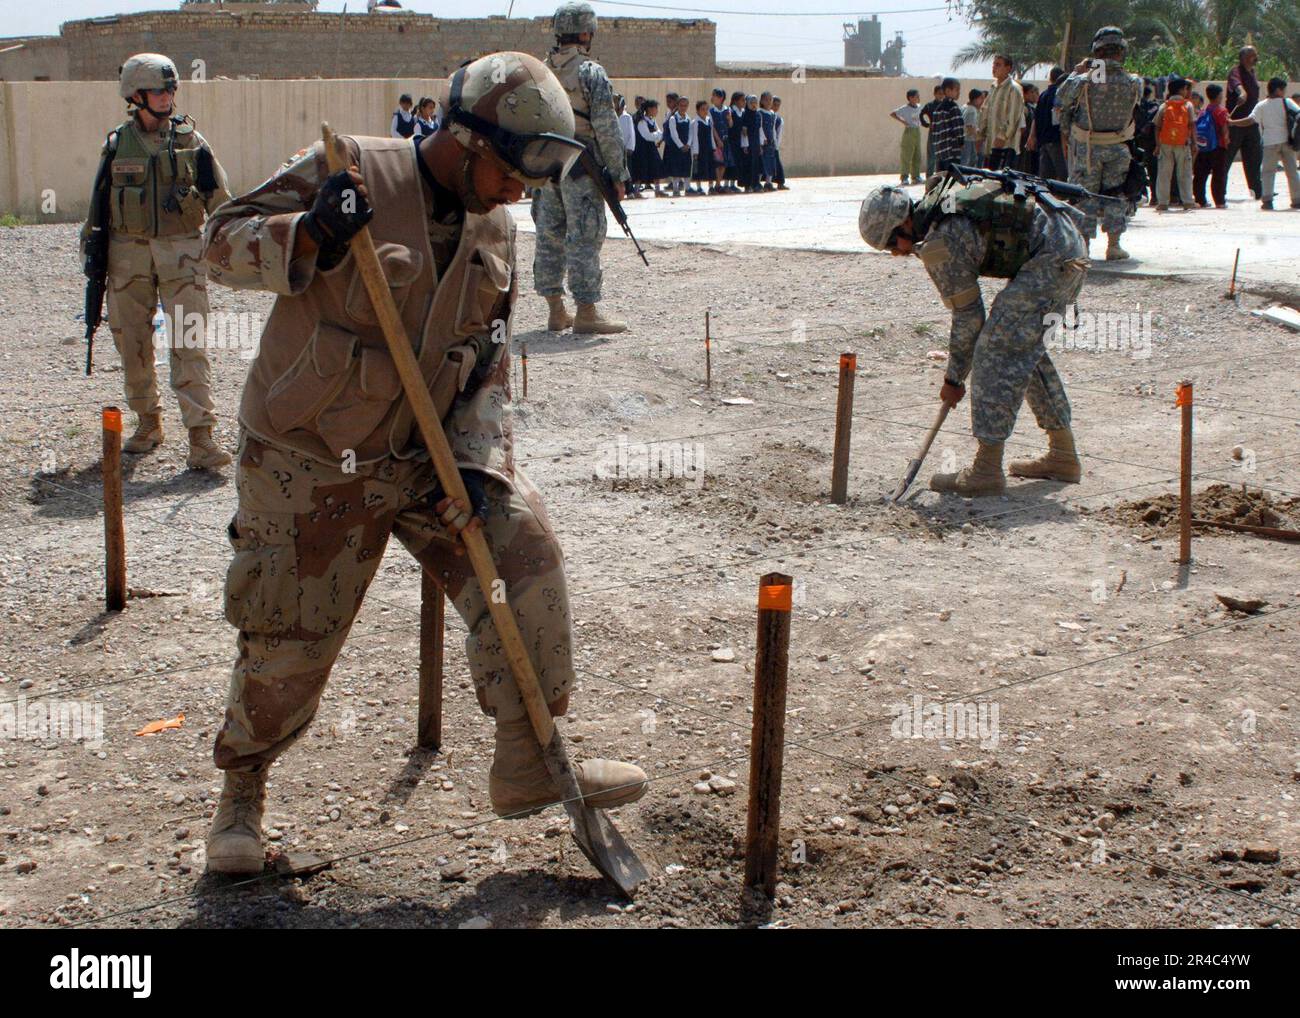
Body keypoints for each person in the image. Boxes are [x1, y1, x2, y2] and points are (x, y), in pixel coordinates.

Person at [199, 50, 648, 875]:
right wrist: (307, 234)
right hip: (310, 460)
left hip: (428, 453)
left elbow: (490, 361)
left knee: (525, 552)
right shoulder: (352, 172)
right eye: (514, 171)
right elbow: (216, 246)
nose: (523, 191)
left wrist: (477, 469)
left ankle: (529, 758)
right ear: (466, 141)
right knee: (289, 640)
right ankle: (241, 800)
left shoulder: (496, 227)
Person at [858, 177, 1087, 498]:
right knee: (1017, 341)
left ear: (905, 224)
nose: (896, 253)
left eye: (893, 244)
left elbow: (969, 318)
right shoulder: (943, 210)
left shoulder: (940, 244)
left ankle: (986, 469)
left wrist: (954, 379)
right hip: (1065, 248)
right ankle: (1063, 455)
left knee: (997, 348)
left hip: (1054, 258)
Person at [80, 52, 232, 470]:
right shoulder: (115, 146)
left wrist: (229, 245)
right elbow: (98, 206)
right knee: (132, 342)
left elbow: (221, 201)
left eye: (171, 89)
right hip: (127, 256)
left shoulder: (192, 143)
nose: (167, 96)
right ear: (135, 95)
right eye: (158, 90)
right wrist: (92, 256)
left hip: (182, 252)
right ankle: (148, 423)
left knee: (190, 342)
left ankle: (201, 438)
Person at [532, 2, 631, 334]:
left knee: (549, 236)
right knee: (585, 236)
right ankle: (586, 313)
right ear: (587, 32)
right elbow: (607, 128)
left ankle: (556, 312)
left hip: (547, 166)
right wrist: (618, 174)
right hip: (581, 165)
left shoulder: (541, 71)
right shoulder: (591, 72)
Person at [1055, 26, 1143, 260]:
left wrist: (1078, 72)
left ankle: (1082, 246)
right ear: (1122, 51)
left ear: (1097, 51)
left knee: (1084, 196)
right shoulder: (1134, 81)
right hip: (1119, 146)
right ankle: (1113, 246)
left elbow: (1061, 97)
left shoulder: (1087, 79)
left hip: (1088, 148)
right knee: (1115, 195)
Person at [1228, 76, 1300, 210]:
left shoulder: (1261, 105)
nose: (1284, 92)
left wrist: (1232, 123)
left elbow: (1250, 120)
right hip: (1287, 142)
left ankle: (1267, 201)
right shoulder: (1287, 102)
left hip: (1269, 143)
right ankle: (1296, 200)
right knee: (1292, 172)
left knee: (1267, 172)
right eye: (1283, 89)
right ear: (1278, 90)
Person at [1224, 46, 1264, 199]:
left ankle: (1258, 191)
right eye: (1252, 55)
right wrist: (1242, 93)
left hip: (1251, 123)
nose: (1255, 57)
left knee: (1254, 157)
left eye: (1255, 54)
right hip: (1234, 123)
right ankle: (1221, 191)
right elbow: (1237, 85)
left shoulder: (1253, 73)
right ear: (1243, 58)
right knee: (1227, 158)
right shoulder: (1236, 71)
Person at [1154, 77, 1197, 212]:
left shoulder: (1164, 105)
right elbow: (1192, 125)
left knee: (1164, 174)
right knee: (1184, 174)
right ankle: (1187, 201)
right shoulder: (1188, 105)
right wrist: (1194, 143)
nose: (1186, 91)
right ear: (1181, 90)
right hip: (1183, 144)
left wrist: (1157, 144)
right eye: (1185, 89)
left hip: (1166, 143)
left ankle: (1162, 202)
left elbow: (1157, 126)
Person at [977, 55, 1024, 170]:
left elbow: (1013, 117)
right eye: (994, 64)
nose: (994, 67)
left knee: (1000, 182)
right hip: (990, 144)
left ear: (1008, 68)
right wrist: (980, 135)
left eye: (998, 65)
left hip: (1005, 146)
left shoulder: (1014, 89)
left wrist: (1002, 136)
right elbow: (985, 111)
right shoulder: (993, 87)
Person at [1193, 83, 1230, 209]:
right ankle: (1219, 201)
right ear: (1219, 96)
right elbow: (1224, 129)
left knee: (1200, 174)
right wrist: (1227, 140)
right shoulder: (1221, 111)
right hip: (1218, 147)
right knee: (1218, 175)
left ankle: (1200, 200)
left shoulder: (1204, 111)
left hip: (1204, 146)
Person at [1027, 68, 1067, 181]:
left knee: (1045, 179)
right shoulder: (1060, 94)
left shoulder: (1043, 95)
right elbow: (1059, 119)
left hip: (1044, 141)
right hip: (1056, 140)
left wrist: (1032, 136)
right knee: (1064, 176)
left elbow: (1036, 117)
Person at [928, 78, 965, 176]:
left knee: (941, 178)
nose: (959, 93)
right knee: (952, 179)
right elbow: (958, 126)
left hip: (940, 152)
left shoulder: (937, 109)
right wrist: (961, 142)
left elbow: (934, 130)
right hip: (952, 150)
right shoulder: (953, 107)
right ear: (948, 91)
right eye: (956, 90)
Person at [891, 89, 924, 185]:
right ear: (910, 98)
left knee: (917, 155)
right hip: (909, 131)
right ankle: (904, 177)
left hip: (917, 130)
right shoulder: (905, 108)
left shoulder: (919, 107)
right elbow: (893, 114)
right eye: (916, 96)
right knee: (906, 155)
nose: (918, 98)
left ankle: (916, 176)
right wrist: (903, 121)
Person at [634, 98, 665, 197]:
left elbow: (659, 133)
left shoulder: (652, 120)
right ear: (650, 109)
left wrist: (656, 134)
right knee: (641, 169)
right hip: (642, 149)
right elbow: (647, 136)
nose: (657, 111)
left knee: (656, 167)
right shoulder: (642, 121)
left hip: (651, 148)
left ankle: (657, 190)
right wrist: (657, 134)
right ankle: (636, 191)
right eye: (655, 108)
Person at [662, 95, 693, 197]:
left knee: (686, 167)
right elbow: (674, 134)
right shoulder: (673, 118)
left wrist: (688, 144)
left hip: (687, 147)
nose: (683, 108)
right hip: (677, 147)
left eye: (685, 105)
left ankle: (687, 188)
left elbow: (691, 133)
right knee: (676, 168)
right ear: (678, 106)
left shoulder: (688, 119)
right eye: (681, 105)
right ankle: (675, 188)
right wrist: (681, 145)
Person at [709, 88, 735, 193]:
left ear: (720, 98)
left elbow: (731, 125)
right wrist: (718, 140)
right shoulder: (711, 111)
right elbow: (712, 127)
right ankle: (716, 184)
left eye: (714, 95)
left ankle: (718, 184)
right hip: (716, 141)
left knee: (724, 163)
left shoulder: (727, 109)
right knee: (717, 163)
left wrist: (730, 119)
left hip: (725, 140)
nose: (712, 98)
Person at [690, 99, 717, 195]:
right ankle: (699, 187)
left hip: (709, 148)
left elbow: (711, 135)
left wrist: (714, 147)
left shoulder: (709, 120)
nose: (705, 111)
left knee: (711, 168)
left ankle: (711, 187)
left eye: (706, 109)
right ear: (697, 110)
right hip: (700, 149)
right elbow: (695, 138)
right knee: (698, 169)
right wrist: (695, 152)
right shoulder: (695, 122)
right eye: (702, 109)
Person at [919, 85, 944, 178]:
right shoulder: (930, 105)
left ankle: (940, 175)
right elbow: (921, 114)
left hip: (943, 133)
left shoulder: (945, 105)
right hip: (933, 132)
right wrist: (926, 124)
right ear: (934, 94)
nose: (941, 96)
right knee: (932, 155)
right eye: (939, 94)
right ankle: (929, 176)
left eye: (942, 94)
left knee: (942, 156)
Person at [759, 92, 778, 191]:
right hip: (764, 143)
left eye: (770, 100)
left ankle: (768, 182)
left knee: (771, 163)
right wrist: (762, 140)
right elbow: (760, 127)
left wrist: (775, 141)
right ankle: (758, 182)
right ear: (761, 101)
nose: (769, 102)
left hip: (771, 143)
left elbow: (773, 128)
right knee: (762, 163)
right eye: (766, 99)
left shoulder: (772, 114)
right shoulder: (760, 113)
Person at [1018, 84, 1039, 173]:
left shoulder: (1030, 108)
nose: (1033, 94)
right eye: (1031, 92)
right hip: (1022, 142)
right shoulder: (1022, 108)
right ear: (1024, 94)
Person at [962, 89, 984, 166]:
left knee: (972, 159)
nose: (982, 101)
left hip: (967, 138)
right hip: (968, 139)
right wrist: (977, 136)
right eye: (981, 98)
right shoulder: (972, 110)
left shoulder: (965, 107)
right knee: (966, 160)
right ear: (975, 99)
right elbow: (970, 127)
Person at [771, 96, 788, 189]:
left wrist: (776, 145)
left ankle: (780, 182)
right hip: (764, 144)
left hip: (774, 145)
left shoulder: (778, 119)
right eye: (774, 104)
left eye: (778, 105)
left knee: (777, 164)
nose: (776, 107)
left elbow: (779, 134)